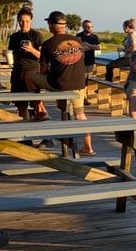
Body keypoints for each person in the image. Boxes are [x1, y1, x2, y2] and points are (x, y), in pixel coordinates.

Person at [24, 10, 95, 155]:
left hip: (60, 84)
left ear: (51, 25)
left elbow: (43, 71)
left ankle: (40, 110)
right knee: (80, 115)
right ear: (65, 25)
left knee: (29, 76)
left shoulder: (48, 44)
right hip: (79, 84)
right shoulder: (77, 41)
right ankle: (88, 147)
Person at [7, 6, 45, 120]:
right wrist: (6, 54)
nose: (24, 24)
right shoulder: (14, 37)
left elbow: (43, 56)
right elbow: (11, 53)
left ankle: (43, 126)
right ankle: (24, 127)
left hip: (32, 73)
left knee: (37, 104)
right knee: (21, 105)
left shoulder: (36, 35)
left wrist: (32, 50)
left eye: (27, 21)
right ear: (18, 21)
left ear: (31, 21)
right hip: (17, 73)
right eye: (22, 21)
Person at [105, 18, 136, 83]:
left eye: (123, 27)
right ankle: (108, 83)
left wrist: (124, 50)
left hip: (130, 58)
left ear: (127, 27)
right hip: (128, 58)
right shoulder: (130, 34)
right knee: (110, 65)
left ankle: (107, 83)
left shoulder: (132, 35)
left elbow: (135, 48)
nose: (123, 29)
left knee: (109, 66)